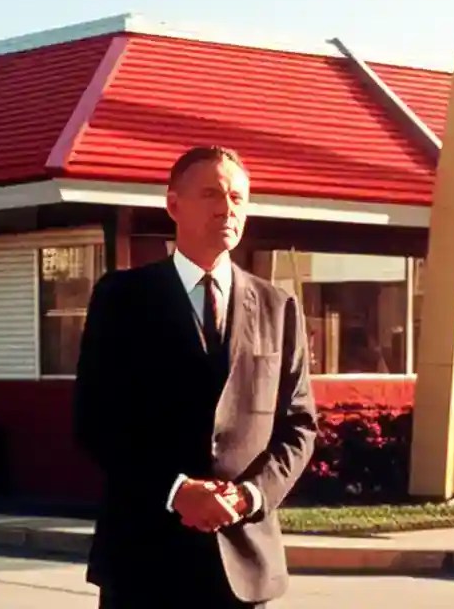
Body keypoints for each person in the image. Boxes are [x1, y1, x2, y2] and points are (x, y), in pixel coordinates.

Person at [73, 145, 318, 608]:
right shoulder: (122, 298)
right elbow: (96, 420)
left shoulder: (278, 307)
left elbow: (299, 425)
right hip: (144, 564)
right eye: (211, 193)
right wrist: (175, 491)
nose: (228, 208)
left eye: (239, 198)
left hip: (244, 566)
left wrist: (250, 496)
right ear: (173, 205)